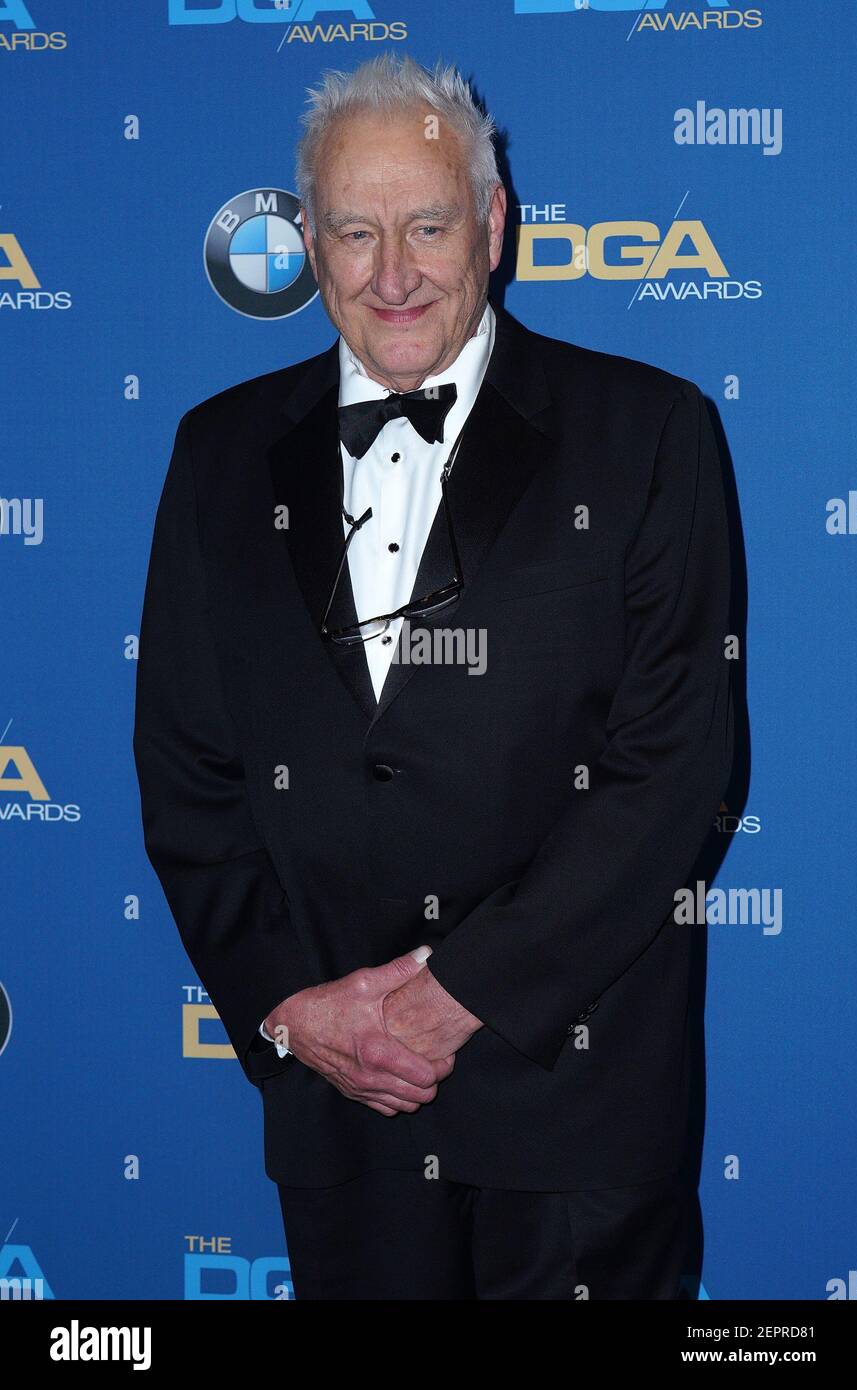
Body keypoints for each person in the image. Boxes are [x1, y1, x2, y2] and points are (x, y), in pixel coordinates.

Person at [133, 50, 734, 1300]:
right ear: (308, 240)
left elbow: (674, 771)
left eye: (427, 225)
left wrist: (457, 996)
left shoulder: (650, 432)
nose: (392, 274)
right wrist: (298, 1013)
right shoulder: (218, 455)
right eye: (355, 231)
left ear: (494, 221)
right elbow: (188, 775)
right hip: (342, 1119)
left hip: (577, 1119)